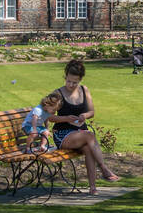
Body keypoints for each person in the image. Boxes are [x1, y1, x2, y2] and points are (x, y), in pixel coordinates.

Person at [49, 59, 121, 193]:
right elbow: (49, 117)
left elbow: (91, 112)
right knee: (89, 135)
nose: (70, 84)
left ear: (80, 80)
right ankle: (104, 168)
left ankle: (93, 188)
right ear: (65, 77)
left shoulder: (84, 90)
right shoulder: (58, 93)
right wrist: (66, 118)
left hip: (80, 132)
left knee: (88, 147)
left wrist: (84, 116)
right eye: (68, 81)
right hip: (62, 134)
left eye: (74, 82)